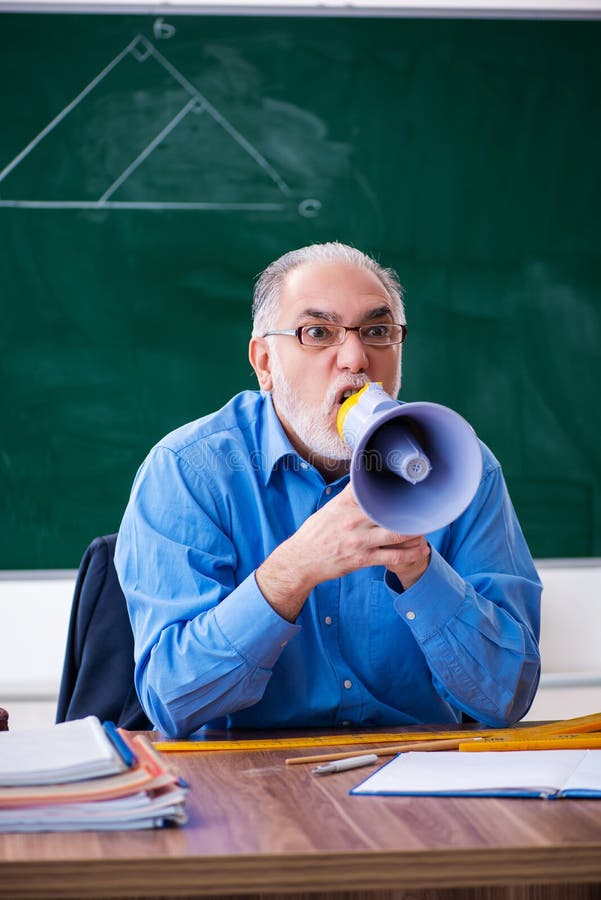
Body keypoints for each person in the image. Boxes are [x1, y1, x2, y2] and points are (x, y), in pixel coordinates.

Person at [115, 242, 541, 738]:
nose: (356, 359)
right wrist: (292, 570)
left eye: (377, 332)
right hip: (244, 780)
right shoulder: (190, 471)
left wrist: (419, 569)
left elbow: (507, 698)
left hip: (414, 778)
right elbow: (172, 700)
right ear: (265, 362)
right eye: (318, 333)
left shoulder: (459, 464)